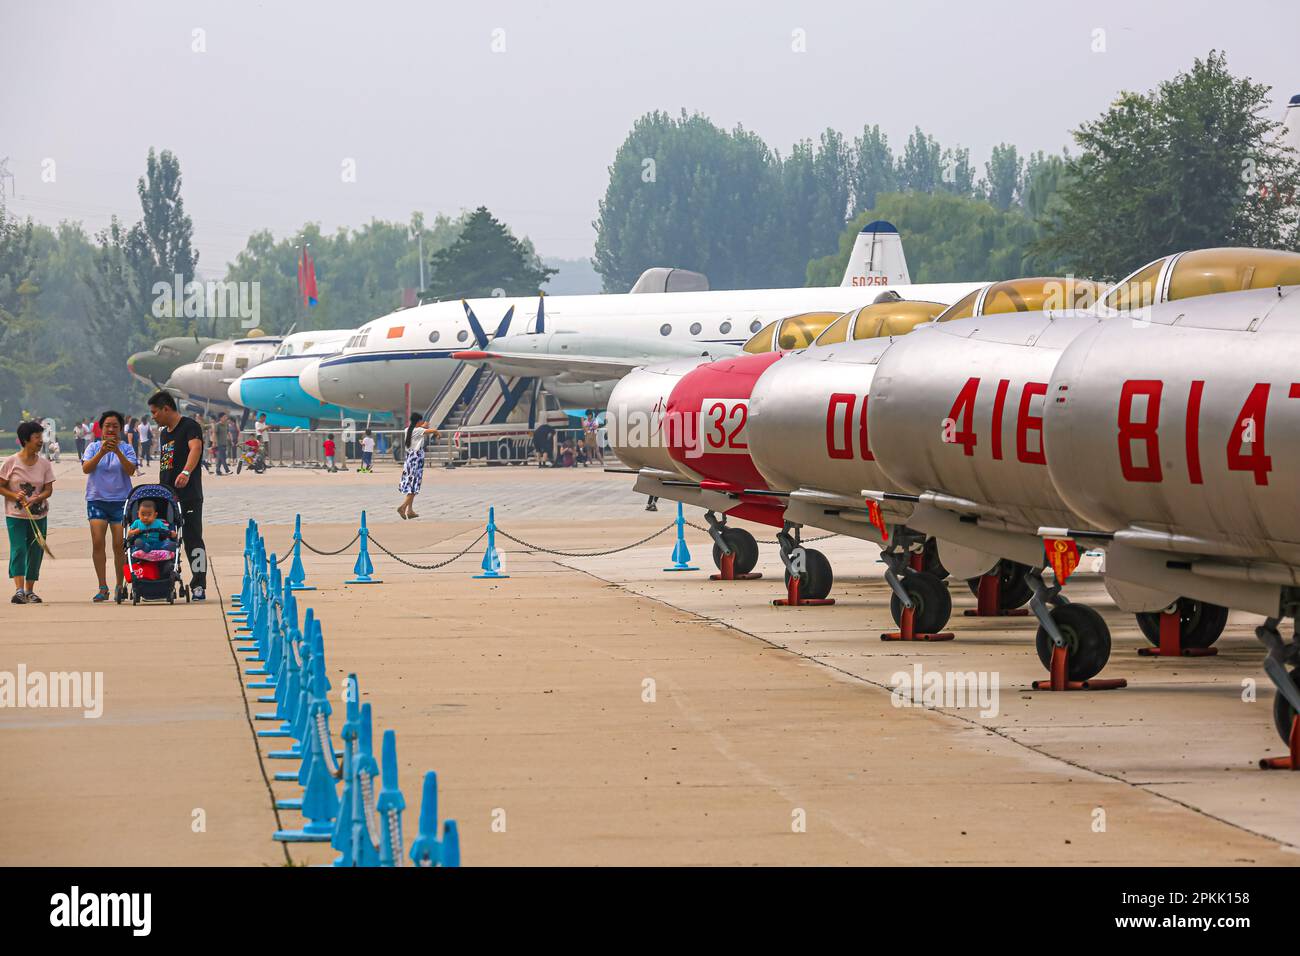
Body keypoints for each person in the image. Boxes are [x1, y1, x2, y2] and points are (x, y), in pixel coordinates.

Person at [149, 390, 207, 601]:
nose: (153, 416)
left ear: (166, 408)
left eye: (155, 412)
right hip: (167, 496)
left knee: (193, 540)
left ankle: (199, 584)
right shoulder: (165, 433)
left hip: (189, 495)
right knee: (164, 538)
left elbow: (196, 448)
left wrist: (186, 472)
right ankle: (164, 580)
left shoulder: (189, 426)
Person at [82, 410, 139, 602]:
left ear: (121, 429)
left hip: (120, 501)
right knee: (98, 542)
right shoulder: (92, 447)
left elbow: (131, 470)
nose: (111, 429)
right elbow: (86, 468)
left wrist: (116, 452)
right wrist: (102, 452)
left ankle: (119, 585)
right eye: (107, 426)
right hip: (96, 500)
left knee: (118, 545)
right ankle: (102, 586)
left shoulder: (127, 448)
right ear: (101, 428)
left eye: (115, 426)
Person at [1, 421, 56, 604]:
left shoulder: (44, 464)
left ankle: (30, 591)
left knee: (35, 551)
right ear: (26, 440)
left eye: (41, 437)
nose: (41, 441)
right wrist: (15, 495)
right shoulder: (11, 462)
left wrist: (36, 498)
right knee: (19, 550)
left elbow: (48, 490)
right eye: (37, 437)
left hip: (38, 516)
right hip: (15, 516)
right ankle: (19, 591)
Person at [397, 413, 438, 519]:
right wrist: (437, 432)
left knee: (412, 485)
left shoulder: (408, 430)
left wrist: (423, 426)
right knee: (414, 485)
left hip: (410, 459)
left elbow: (419, 430)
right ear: (418, 421)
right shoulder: (418, 431)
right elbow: (432, 431)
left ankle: (410, 511)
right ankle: (403, 507)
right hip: (416, 459)